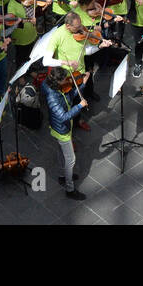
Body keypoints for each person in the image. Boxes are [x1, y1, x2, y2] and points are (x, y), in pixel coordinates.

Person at [43, 66, 89, 200]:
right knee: (71, 159)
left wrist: (83, 84)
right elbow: (63, 117)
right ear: (58, 82)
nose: (68, 81)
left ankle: (63, 176)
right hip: (61, 130)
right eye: (65, 80)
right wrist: (79, 106)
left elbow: (70, 94)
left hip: (63, 128)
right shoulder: (52, 97)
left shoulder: (61, 88)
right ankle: (70, 189)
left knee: (60, 153)